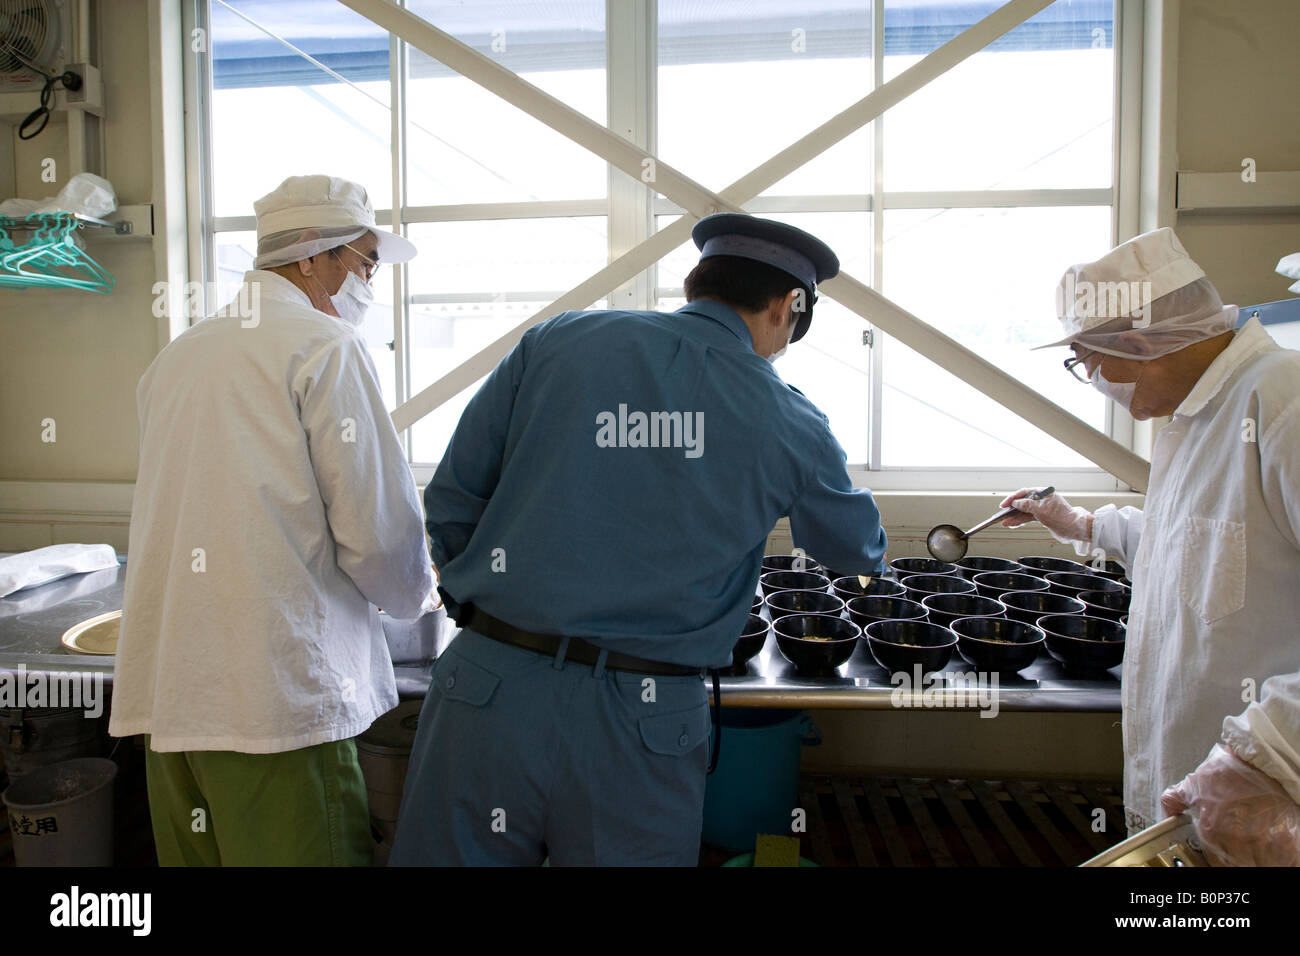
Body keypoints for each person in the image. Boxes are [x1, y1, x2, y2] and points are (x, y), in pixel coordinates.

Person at [391, 213, 888, 866]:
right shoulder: (793, 420)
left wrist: (478, 608)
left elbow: (454, 496)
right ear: (788, 306)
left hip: (489, 683)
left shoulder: (558, 340)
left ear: (696, 284)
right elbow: (857, 552)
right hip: (642, 715)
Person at [110, 174, 434, 865]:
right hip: (273, 706)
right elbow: (377, 531)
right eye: (365, 262)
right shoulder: (324, 346)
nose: (370, 282)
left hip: (174, 704)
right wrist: (418, 593)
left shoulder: (180, 355)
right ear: (314, 256)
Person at [1001, 227, 1300, 865]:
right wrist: (1080, 524)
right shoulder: (1196, 416)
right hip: (1197, 803)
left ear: (1136, 346)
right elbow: (1202, 552)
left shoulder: (1282, 405)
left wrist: (1269, 753)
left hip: (1261, 808)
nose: (1090, 377)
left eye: (1085, 361)